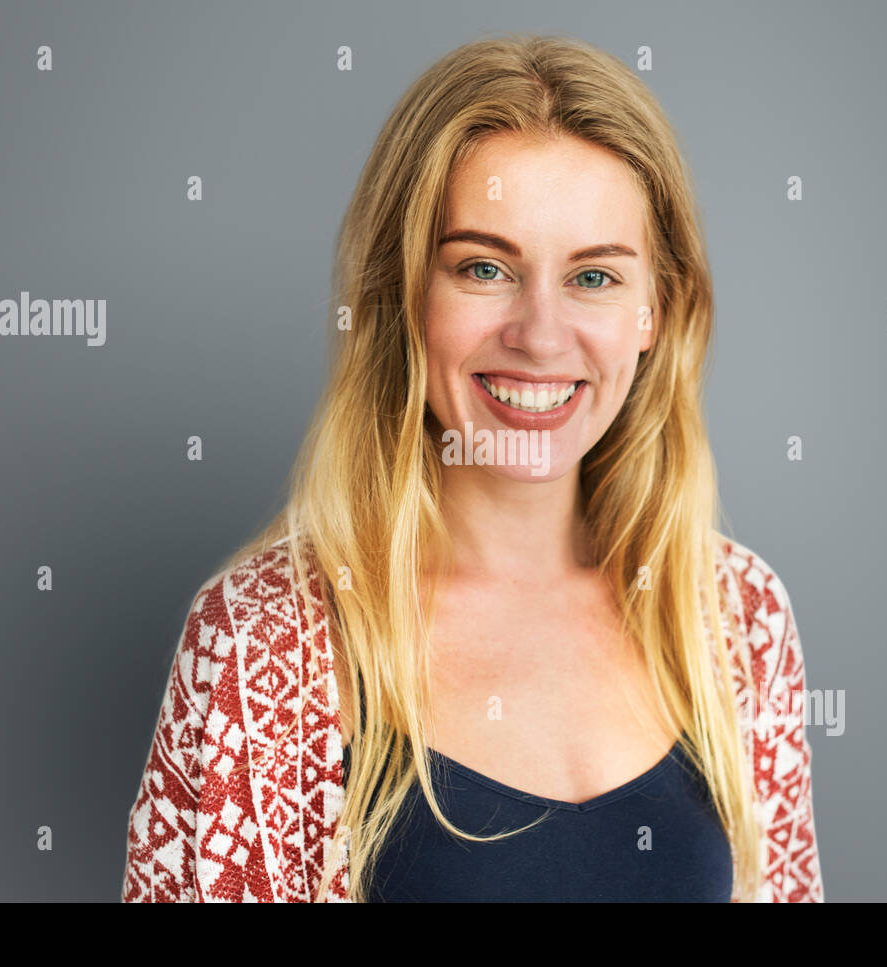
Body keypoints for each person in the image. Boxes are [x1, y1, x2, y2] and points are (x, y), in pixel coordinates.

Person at [122, 33, 823, 903]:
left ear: (656, 309)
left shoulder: (737, 617)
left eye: (594, 277)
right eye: (484, 268)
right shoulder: (264, 640)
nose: (539, 335)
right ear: (407, 294)